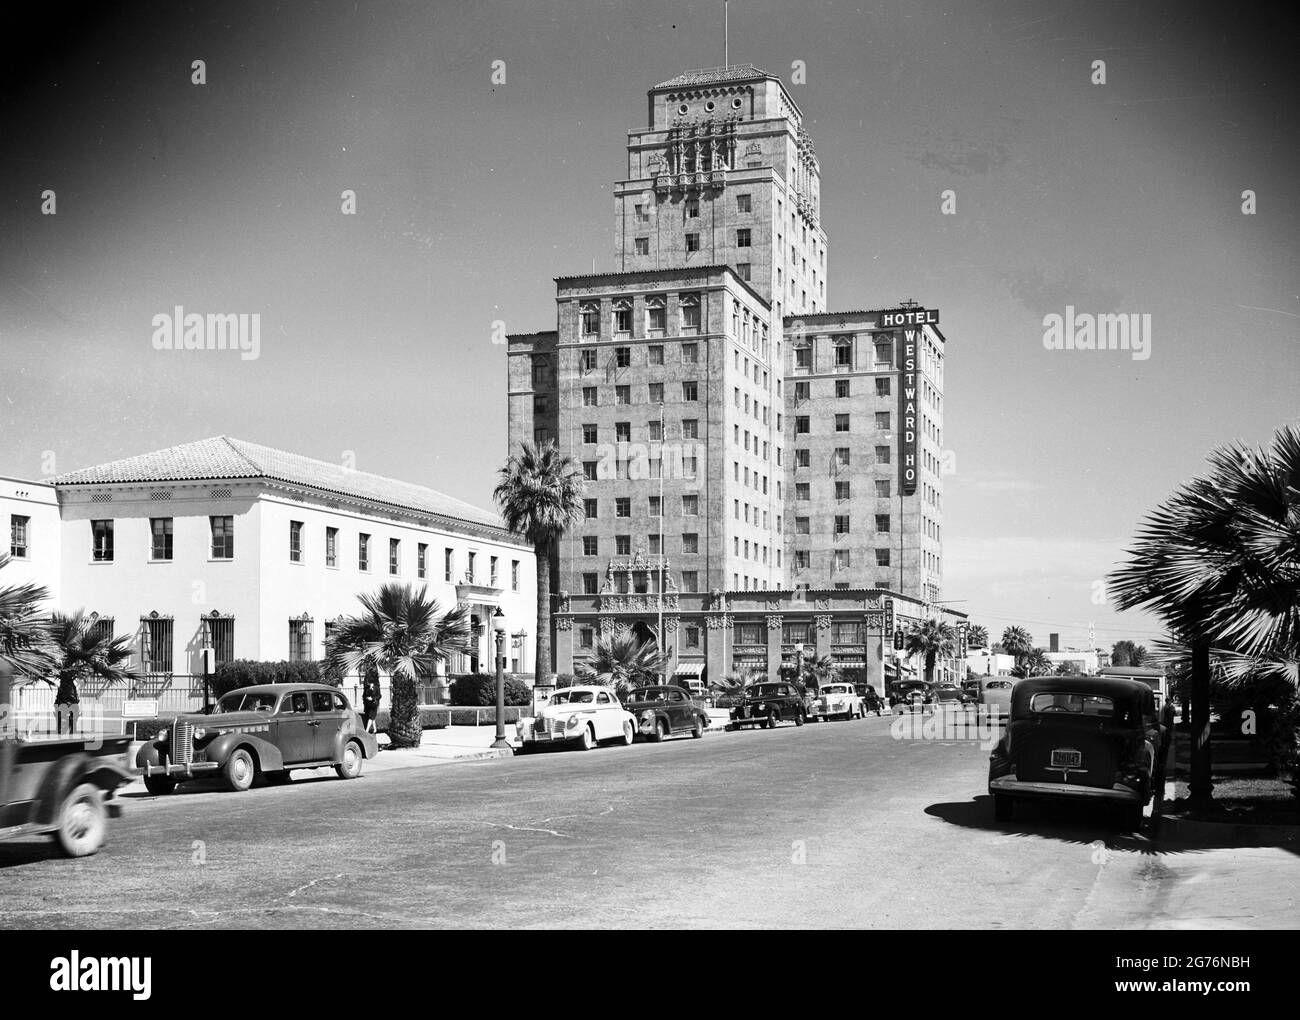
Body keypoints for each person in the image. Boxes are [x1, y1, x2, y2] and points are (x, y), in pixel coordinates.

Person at [362, 669, 380, 734]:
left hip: (374, 705)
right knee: (373, 718)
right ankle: (375, 729)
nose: (369, 684)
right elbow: (365, 696)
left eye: (370, 683)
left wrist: (372, 699)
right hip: (369, 705)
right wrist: (367, 698)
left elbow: (379, 696)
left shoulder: (376, 689)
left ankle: (366, 730)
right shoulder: (367, 689)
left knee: (370, 718)